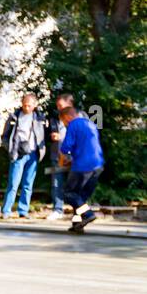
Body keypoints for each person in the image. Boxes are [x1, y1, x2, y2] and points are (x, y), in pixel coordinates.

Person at [58, 100, 105, 233]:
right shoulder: (91, 124)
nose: (65, 125)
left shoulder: (74, 124)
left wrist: (63, 159)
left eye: (63, 122)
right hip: (98, 165)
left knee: (69, 193)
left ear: (67, 117)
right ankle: (77, 225)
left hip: (83, 166)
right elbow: (87, 146)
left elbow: (66, 147)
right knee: (79, 198)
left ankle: (88, 215)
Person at [0, 93, 46, 220]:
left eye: (29, 105)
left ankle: (23, 210)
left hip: (33, 153)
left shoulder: (39, 118)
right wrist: (9, 148)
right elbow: (5, 135)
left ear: (34, 105)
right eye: (24, 105)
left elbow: (44, 135)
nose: (26, 107)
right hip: (18, 153)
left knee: (28, 184)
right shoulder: (14, 117)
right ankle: (6, 210)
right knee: (13, 183)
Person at [44, 93, 73, 220]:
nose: (59, 108)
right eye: (57, 106)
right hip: (58, 155)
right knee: (56, 183)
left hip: (74, 156)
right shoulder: (54, 119)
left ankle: (78, 211)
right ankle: (57, 210)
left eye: (61, 105)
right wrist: (51, 136)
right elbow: (46, 135)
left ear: (69, 104)